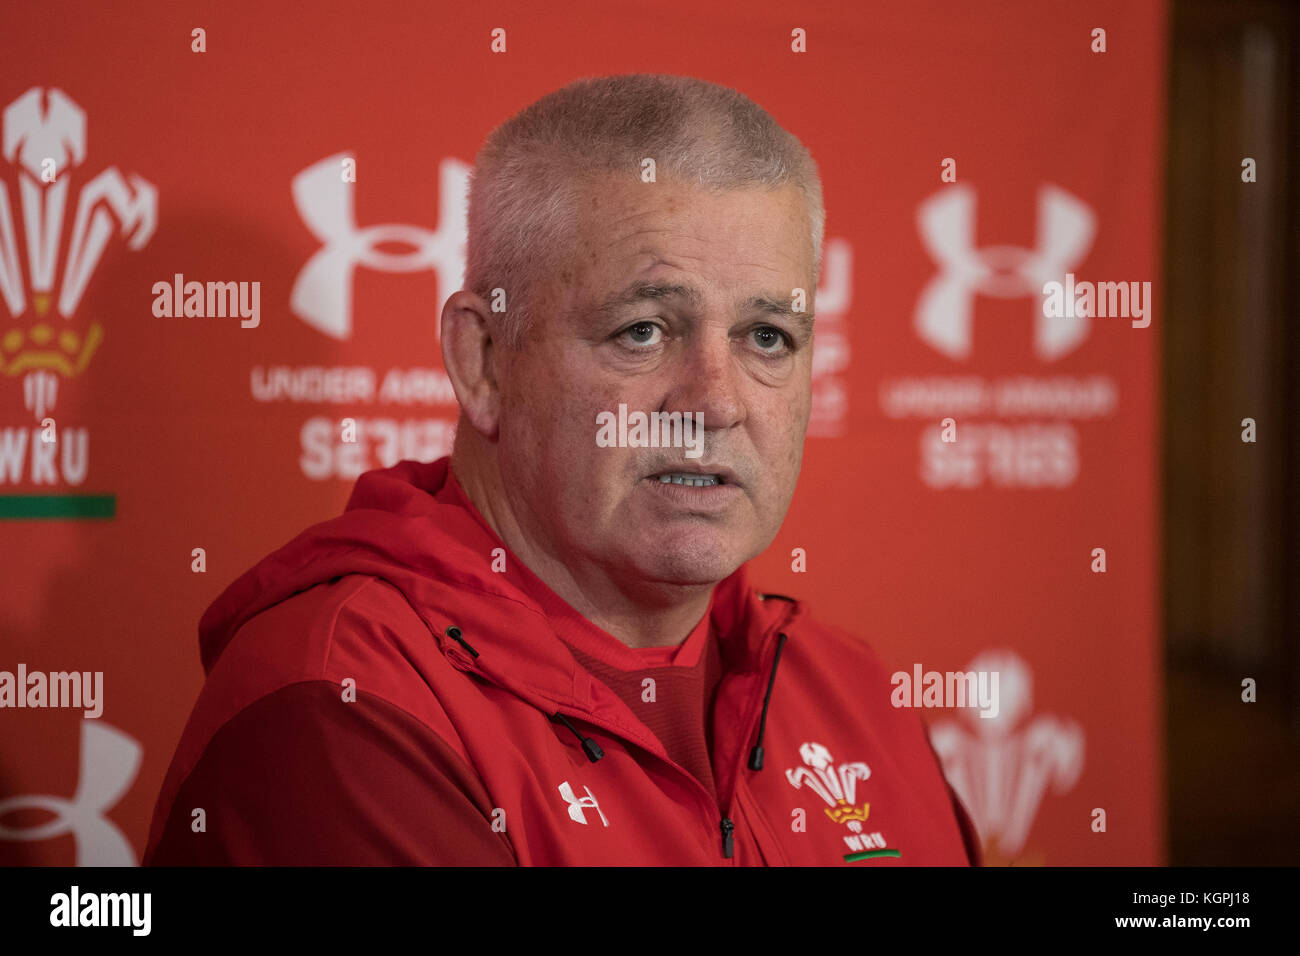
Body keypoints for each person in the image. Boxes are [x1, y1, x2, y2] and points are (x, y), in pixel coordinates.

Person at [144, 73, 981, 866]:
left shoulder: (856, 694)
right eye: (644, 331)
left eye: (767, 337)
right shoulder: (343, 703)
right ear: (485, 361)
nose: (717, 403)